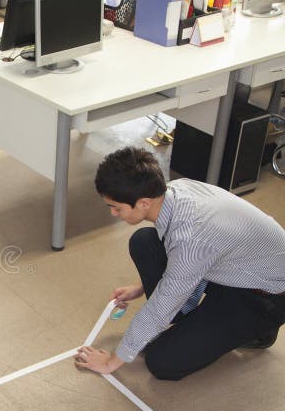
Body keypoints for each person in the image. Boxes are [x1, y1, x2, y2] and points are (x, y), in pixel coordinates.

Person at [75, 146, 285, 379]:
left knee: (161, 361)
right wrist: (141, 287)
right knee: (145, 242)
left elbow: (162, 305)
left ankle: (260, 329)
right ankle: (198, 323)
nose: (113, 213)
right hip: (234, 266)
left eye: (117, 207)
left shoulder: (191, 237)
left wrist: (111, 362)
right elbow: (185, 260)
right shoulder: (175, 190)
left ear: (144, 203)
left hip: (264, 297)